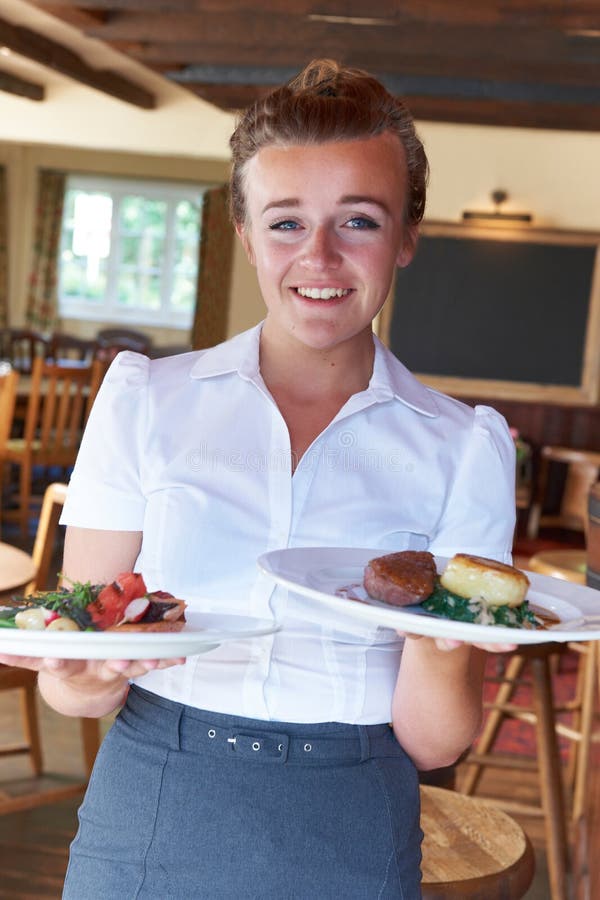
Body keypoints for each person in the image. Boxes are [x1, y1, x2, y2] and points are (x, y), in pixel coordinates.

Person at [0, 60, 517, 898]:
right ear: (245, 234)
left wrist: (443, 635)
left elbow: (434, 742)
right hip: (156, 796)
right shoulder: (145, 400)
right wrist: (77, 674)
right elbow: (83, 667)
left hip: (353, 811)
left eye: (358, 219)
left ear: (407, 235)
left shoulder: (465, 448)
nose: (319, 256)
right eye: (285, 223)